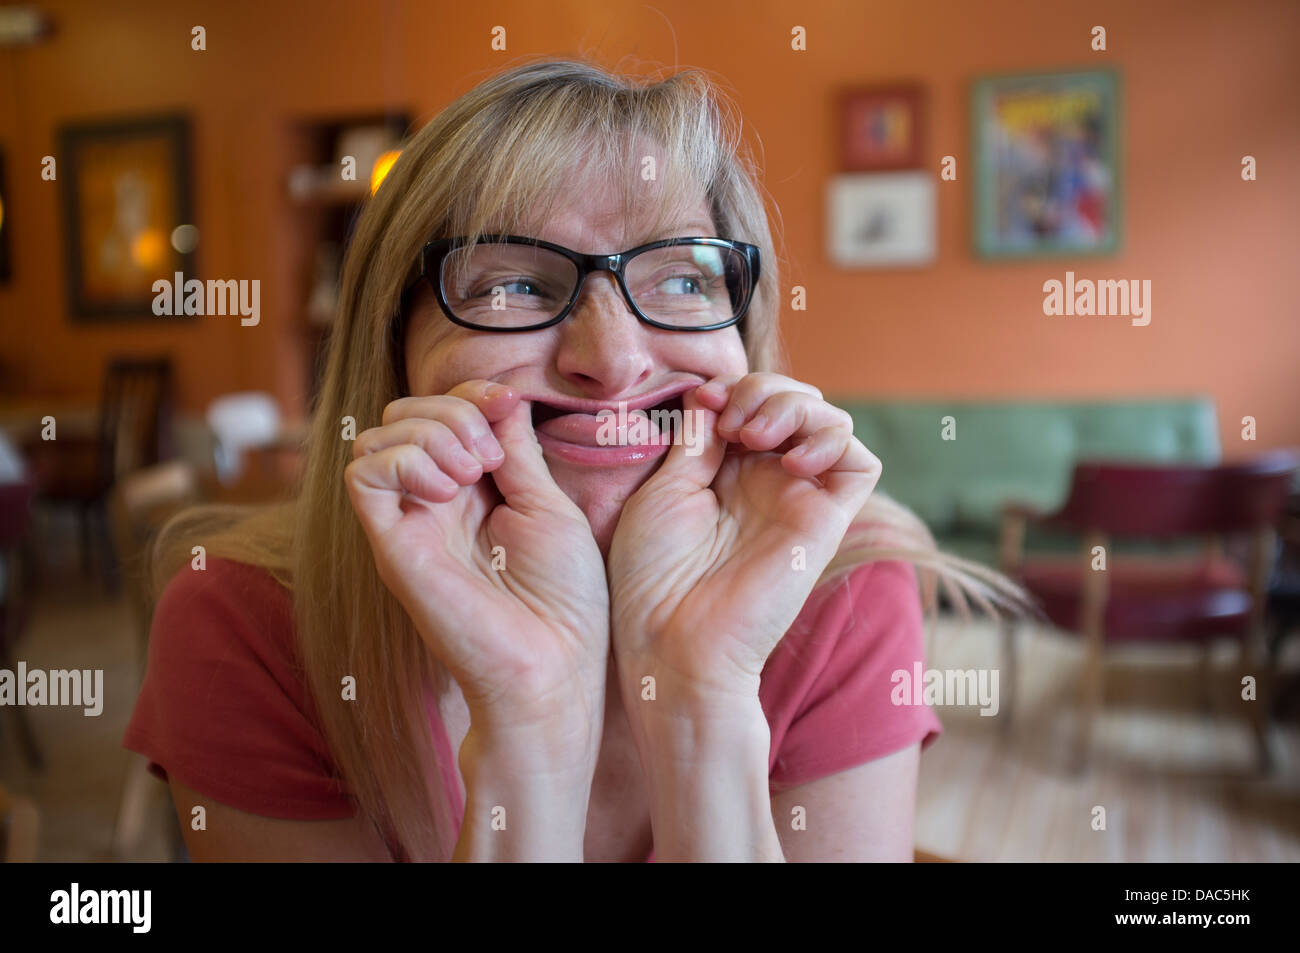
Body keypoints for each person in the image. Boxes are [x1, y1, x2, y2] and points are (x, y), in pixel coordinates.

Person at [123, 58, 1019, 862]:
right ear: (392, 346)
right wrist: (532, 722)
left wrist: (704, 701)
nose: (615, 358)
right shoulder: (247, 626)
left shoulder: (837, 591)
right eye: (513, 283)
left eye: (682, 277)